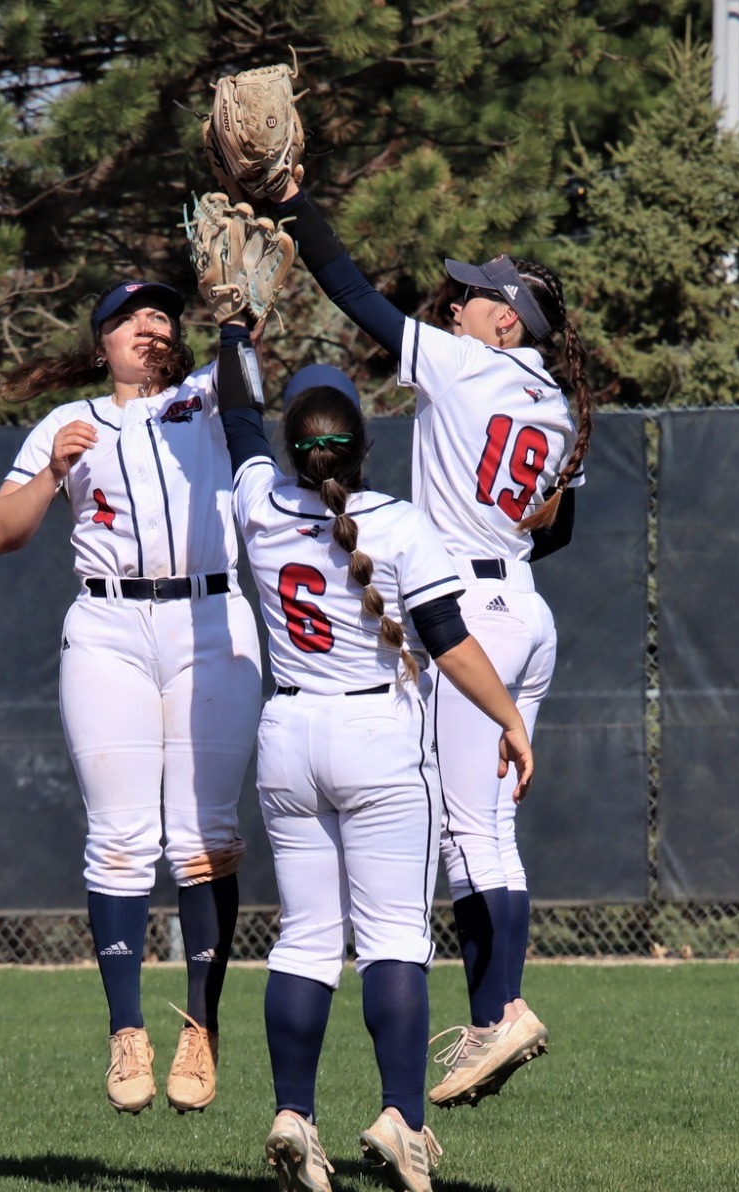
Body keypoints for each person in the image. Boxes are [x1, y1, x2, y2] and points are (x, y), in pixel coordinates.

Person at [266, 179, 594, 1109]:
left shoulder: (463, 362)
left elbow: (354, 295)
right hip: (525, 604)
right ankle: (497, 1011)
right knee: (493, 829)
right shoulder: (556, 406)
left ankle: (499, 1013)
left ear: (506, 323)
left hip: (472, 615)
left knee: (466, 831)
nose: (457, 303)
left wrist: (295, 209)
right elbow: (554, 524)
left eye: (477, 297)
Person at [208, 316, 535, 1192]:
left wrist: (236, 327)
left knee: (306, 938)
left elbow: (238, 416)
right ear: (362, 440)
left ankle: (292, 1114)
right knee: (393, 938)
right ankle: (397, 1116)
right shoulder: (399, 523)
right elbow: (448, 641)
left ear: (294, 444)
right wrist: (509, 719)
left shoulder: (260, 505)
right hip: (379, 741)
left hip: (289, 737)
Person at [0, 280, 262, 1116]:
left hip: (213, 616)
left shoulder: (206, 398)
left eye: (163, 314)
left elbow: (247, 365)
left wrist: (240, 309)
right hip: (107, 627)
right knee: (119, 837)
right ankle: (128, 1031)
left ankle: (202, 1027)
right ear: (102, 340)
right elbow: (0, 530)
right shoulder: (69, 423)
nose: (152, 324)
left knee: (204, 832)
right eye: (133, 316)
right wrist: (53, 474)